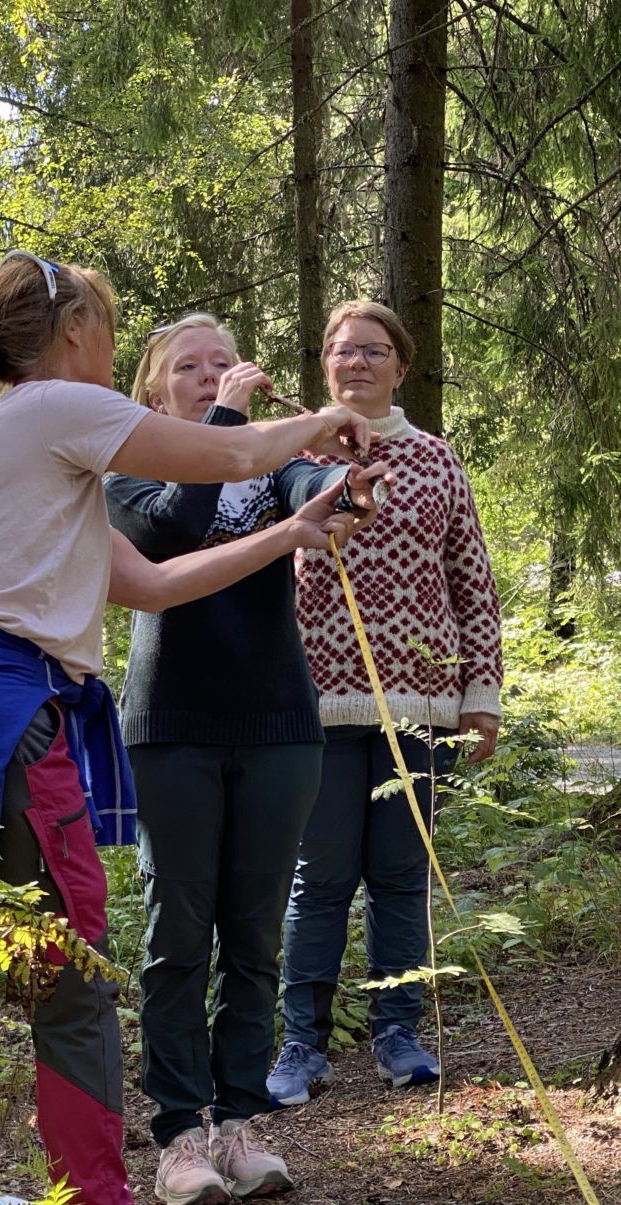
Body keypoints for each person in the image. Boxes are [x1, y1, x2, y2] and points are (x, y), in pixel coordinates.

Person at [0, 251, 386, 1205]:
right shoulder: (56, 406)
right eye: (115, 325)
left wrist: (289, 530)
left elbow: (148, 583)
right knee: (73, 989)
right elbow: (221, 450)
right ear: (80, 332)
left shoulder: (27, 443)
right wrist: (316, 420)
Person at [104, 315, 385, 1205]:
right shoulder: (127, 468)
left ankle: (239, 1122)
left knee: (255, 935)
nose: (213, 374)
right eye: (189, 368)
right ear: (155, 394)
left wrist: (344, 473)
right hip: (171, 725)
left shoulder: (270, 463)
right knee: (178, 935)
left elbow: (317, 479)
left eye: (224, 362)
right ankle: (180, 1133)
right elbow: (169, 535)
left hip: (279, 725)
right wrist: (227, 421)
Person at [266, 300, 502, 1108]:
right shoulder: (293, 454)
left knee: (401, 876)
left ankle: (398, 1031)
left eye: (373, 351)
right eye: (342, 351)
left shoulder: (437, 462)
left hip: (424, 707)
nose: (357, 363)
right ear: (325, 366)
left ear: (401, 366)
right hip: (317, 705)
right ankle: (302, 1042)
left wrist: (482, 696)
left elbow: (473, 582)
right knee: (321, 877)